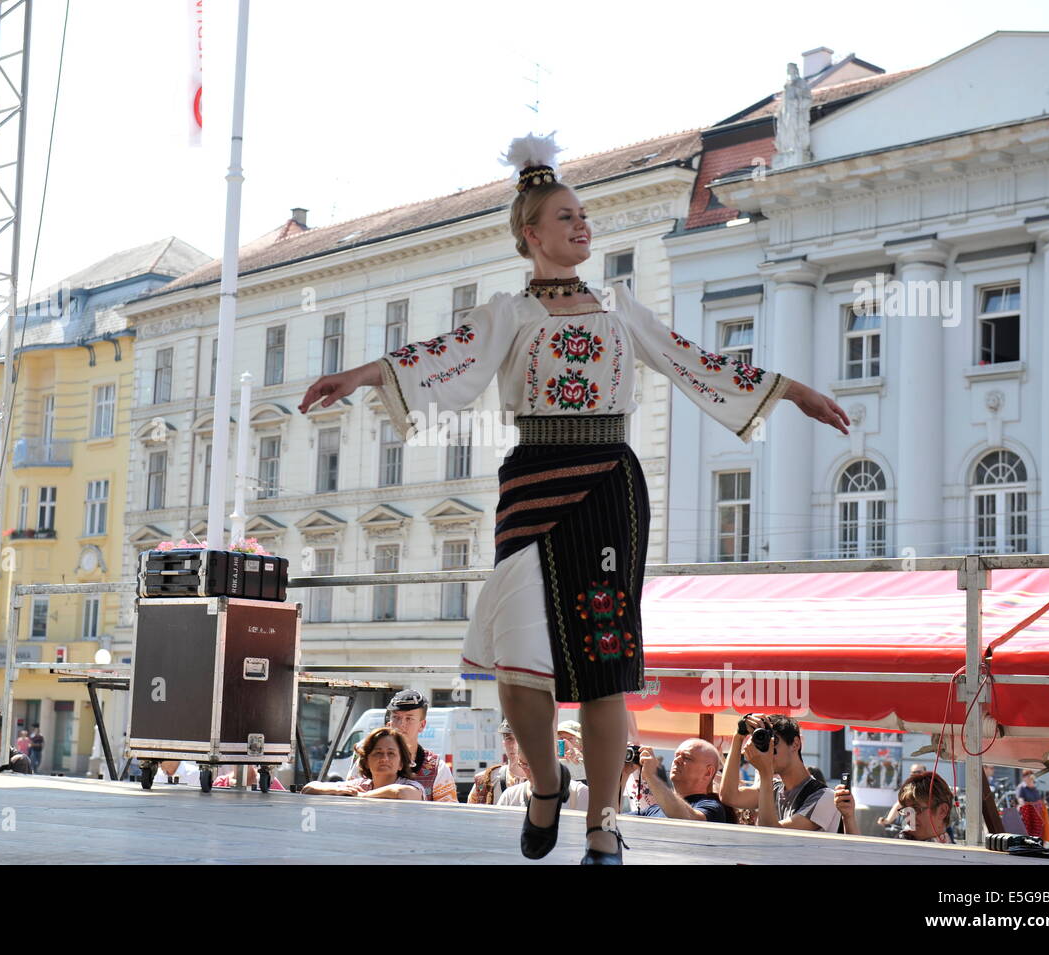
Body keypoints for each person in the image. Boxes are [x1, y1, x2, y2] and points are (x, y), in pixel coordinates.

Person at [298, 133, 849, 863]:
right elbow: (443, 353)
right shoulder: (509, 312)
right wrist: (363, 373)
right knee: (519, 655)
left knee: (603, 658)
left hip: (609, 483)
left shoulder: (621, 306)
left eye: (584, 214)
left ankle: (604, 821)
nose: (582, 226)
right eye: (565, 217)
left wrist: (790, 390)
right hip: (533, 477)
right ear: (531, 234)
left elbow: (692, 358)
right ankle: (549, 784)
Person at [720, 714, 841, 832]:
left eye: (774, 741)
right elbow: (729, 796)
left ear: (795, 744)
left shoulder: (825, 797)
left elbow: (772, 834)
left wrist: (765, 772)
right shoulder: (774, 789)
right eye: (766, 743)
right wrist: (738, 736)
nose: (769, 750)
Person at [345, 690, 458, 802]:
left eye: (409, 718)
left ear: (422, 725)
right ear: (388, 723)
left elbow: (448, 813)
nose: (401, 724)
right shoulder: (367, 761)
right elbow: (348, 795)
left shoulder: (437, 768)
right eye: (396, 717)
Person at [301, 727, 424, 800]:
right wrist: (337, 790)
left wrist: (363, 796)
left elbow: (400, 793)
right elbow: (309, 788)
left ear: (401, 763)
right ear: (366, 762)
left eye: (391, 753)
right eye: (378, 753)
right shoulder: (360, 785)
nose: (384, 758)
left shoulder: (412, 786)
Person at [628, 740, 731, 823]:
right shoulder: (652, 810)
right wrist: (623, 773)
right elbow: (614, 820)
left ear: (708, 772)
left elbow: (687, 819)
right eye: (676, 756)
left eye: (687, 758)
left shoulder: (712, 807)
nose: (677, 760)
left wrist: (651, 776)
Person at [840, 770, 954, 843]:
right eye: (906, 810)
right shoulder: (904, 841)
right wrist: (848, 816)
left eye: (916, 809)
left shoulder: (955, 857)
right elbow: (860, 855)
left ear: (942, 811)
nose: (908, 817)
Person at [498, 747, 589, 811]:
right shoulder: (510, 797)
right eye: (524, 765)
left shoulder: (578, 793)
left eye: (537, 764)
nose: (532, 770)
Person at [468, 719, 526, 804]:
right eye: (509, 738)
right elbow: (472, 814)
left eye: (520, 739)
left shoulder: (542, 782)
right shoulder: (485, 780)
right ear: (503, 743)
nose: (514, 745)